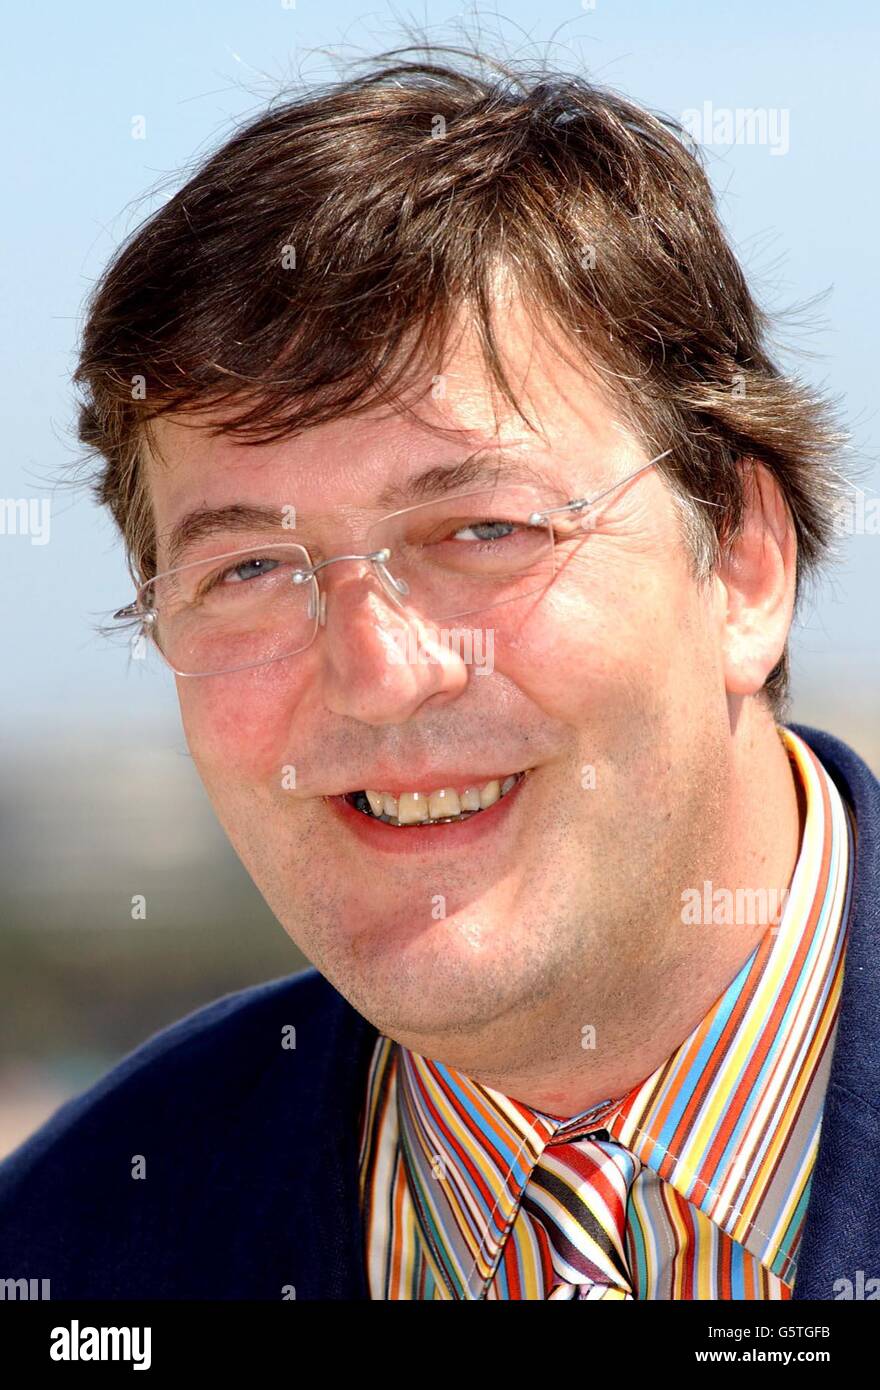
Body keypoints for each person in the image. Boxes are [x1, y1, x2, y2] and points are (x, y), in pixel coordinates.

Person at [1, 47, 878, 1301]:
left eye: (480, 532)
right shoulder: (69, 1250)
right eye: (250, 568)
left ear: (741, 564)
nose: (377, 674)